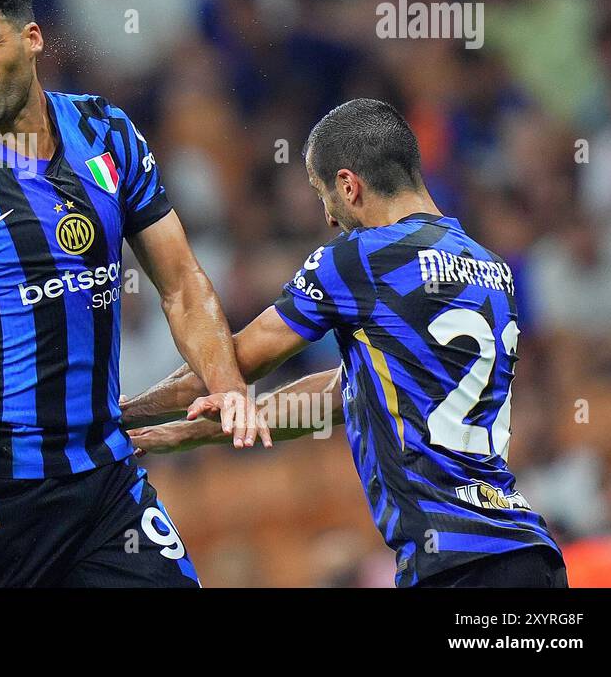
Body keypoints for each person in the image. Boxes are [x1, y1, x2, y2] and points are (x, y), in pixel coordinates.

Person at [0, 0, 266, 587]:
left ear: (31, 41)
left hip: (108, 481)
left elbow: (181, 283)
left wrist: (224, 383)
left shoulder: (106, 133)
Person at [123, 99, 567, 588]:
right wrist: (197, 432)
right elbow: (345, 395)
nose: (330, 217)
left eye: (322, 194)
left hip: (458, 565)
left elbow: (231, 364)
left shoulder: (360, 259)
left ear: (348, 185)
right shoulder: (491, 269)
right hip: (529, 556)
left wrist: (123, 411)